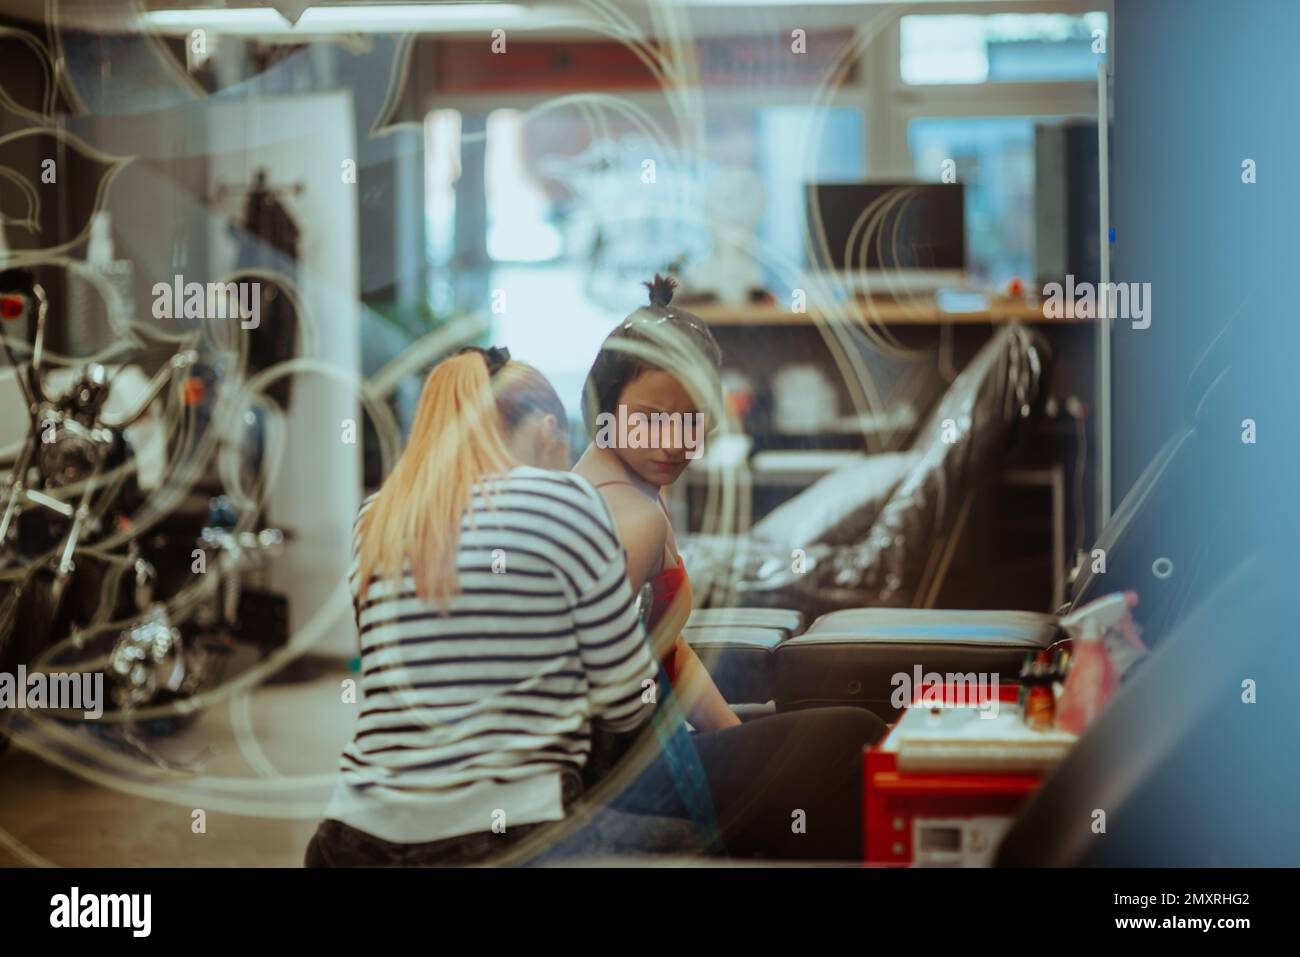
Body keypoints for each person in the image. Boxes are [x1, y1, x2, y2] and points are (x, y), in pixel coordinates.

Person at [306, 347, 667, 867]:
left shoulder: (376, 517)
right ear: (547, 429)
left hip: (350, 840)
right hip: (501, 837)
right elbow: (627, 703)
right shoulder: (564, 499)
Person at [574, 276, 887, 859]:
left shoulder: (633, 487)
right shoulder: (624, 518)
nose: (672, 441)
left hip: (647, 759)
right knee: (853, 735)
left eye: (689, 419)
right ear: (603, 408)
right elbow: (579, 680)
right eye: (648, 417)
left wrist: (735, 739)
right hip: (629, 785)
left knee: (834, 737)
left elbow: (668, 650)